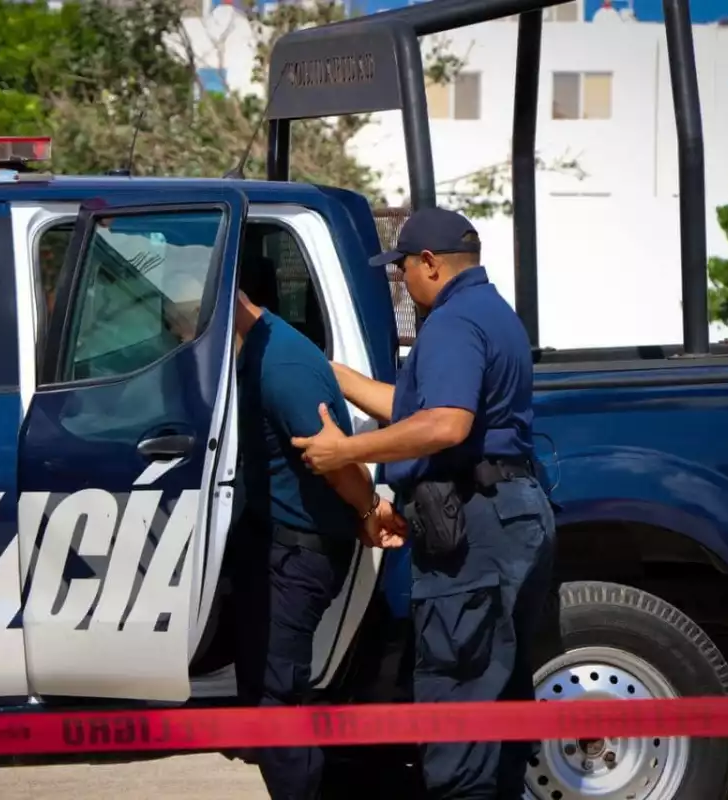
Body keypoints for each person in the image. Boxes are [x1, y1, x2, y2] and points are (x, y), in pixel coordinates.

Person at [290, 207, 556, 799]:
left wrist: (345, 452)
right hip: (511, 517)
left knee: (458, 711)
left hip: (476, 530)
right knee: (498, 705)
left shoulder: (453, 322)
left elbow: (444, 425)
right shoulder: (489, 312)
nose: (402, 280)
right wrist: (334, 374)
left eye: (403, 266)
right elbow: (421, 408)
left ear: (430, 263)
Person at [231, 259, 405, 800]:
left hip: (295, 553)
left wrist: (369, 508)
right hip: (271, 543)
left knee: (274, 698)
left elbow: (333, 458)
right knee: (265, 695)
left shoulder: (280, 362)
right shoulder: (254, 352)